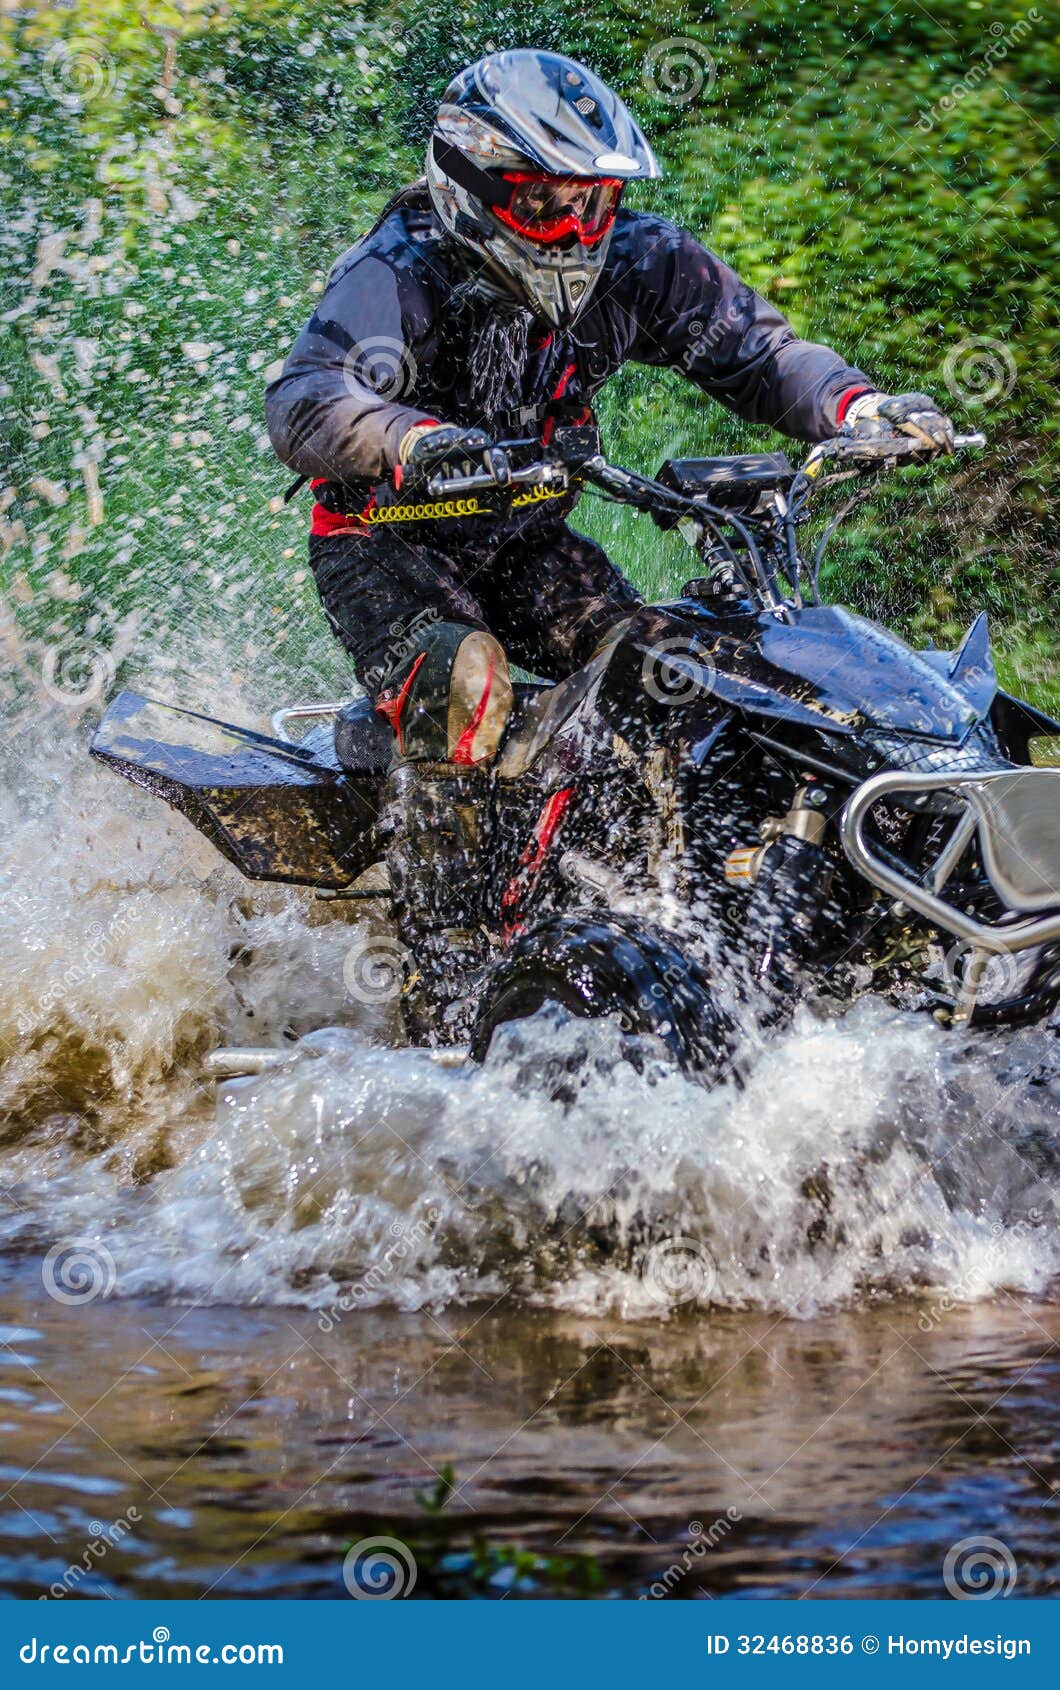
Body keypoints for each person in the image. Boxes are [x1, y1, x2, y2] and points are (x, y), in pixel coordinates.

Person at [266, 48, 954, 1035]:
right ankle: (446, 964)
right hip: (387, 541)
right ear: (470, 187)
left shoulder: (638, 260)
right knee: (467, 679)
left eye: (593, 203)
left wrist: (858, 405)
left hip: (527, 543)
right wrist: (407, 438)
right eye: (550, 204)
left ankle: (655, 907)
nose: (579, 229)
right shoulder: (399, 266)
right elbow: (304, 399)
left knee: (671, 668)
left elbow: (755, 350)